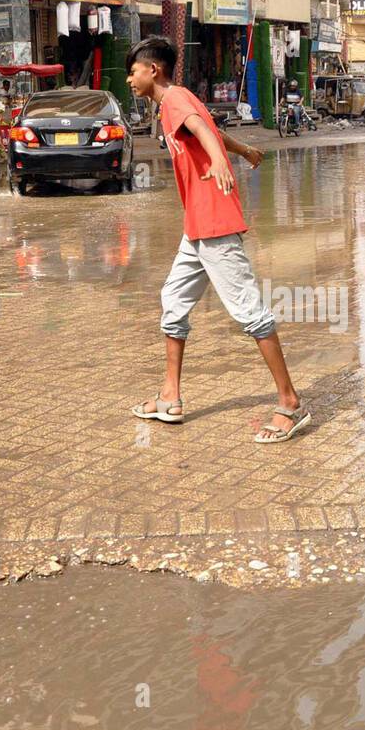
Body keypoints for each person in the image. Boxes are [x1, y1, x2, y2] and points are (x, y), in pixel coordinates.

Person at [126, 35, 311, 444]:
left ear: (152, 70)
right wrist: (243, 150)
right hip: (197, 226)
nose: (129, 80)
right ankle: (170, 397)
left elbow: (199, 130)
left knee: (249, 313)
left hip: (214, 223)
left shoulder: (174, 101)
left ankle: (290, 402)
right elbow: (208, 127)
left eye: (133, 72)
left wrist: (220, 164)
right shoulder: (176, 99)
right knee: (173, 303)